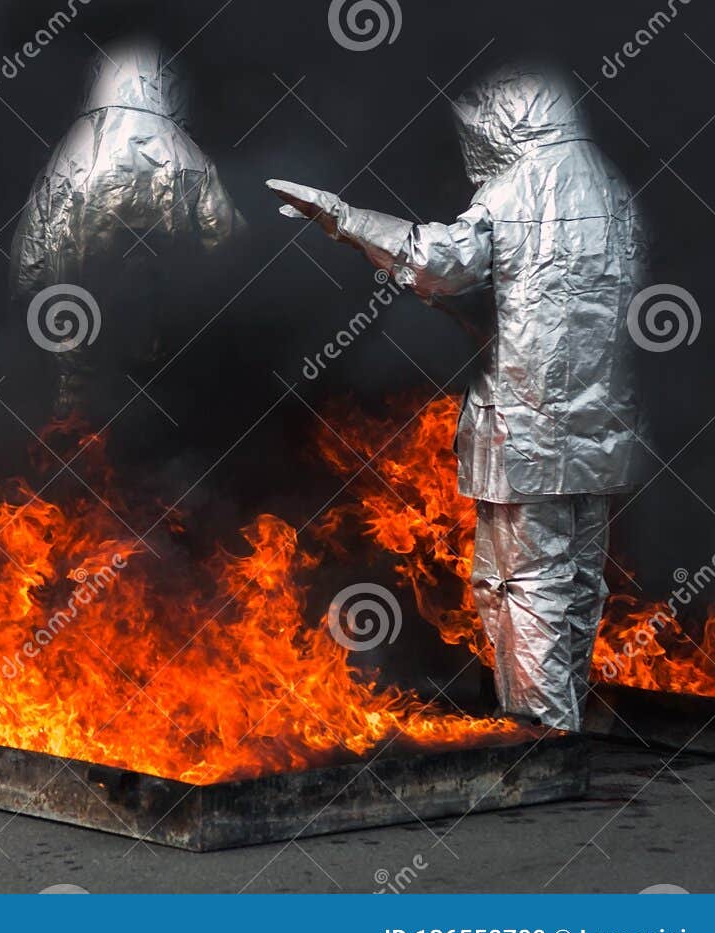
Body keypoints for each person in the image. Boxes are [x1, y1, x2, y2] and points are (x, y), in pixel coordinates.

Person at [268, 63, 651, 731]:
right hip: (604, 433)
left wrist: (345, 220)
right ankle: (567, 725)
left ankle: (543, 742)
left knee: (521, 587)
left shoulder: (520, 185)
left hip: (529, 432)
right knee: (579, 582)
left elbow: (438, 262)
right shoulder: (616, 188)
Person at [10, 36, 243, 416]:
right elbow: (228, 244)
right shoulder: (188, 154)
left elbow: (30, 257)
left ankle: (73, 424)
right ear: (170, 84)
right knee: (156, 402)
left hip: (75, 331)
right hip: (164, 342)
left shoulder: (70, 149)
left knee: (78, 402)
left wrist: (27, 298)